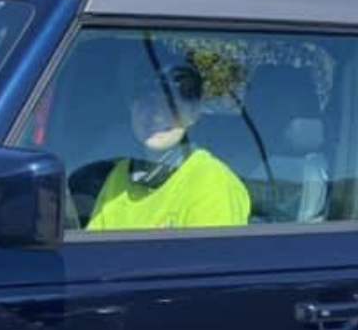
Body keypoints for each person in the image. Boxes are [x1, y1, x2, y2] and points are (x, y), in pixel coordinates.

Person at [85, 65, 252, 232]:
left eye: (170, 103)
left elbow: (212, 258)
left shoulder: (213, 182)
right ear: (131, 108)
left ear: (194, 114)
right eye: (147, 101)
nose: (156, 115)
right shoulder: (119, 174)